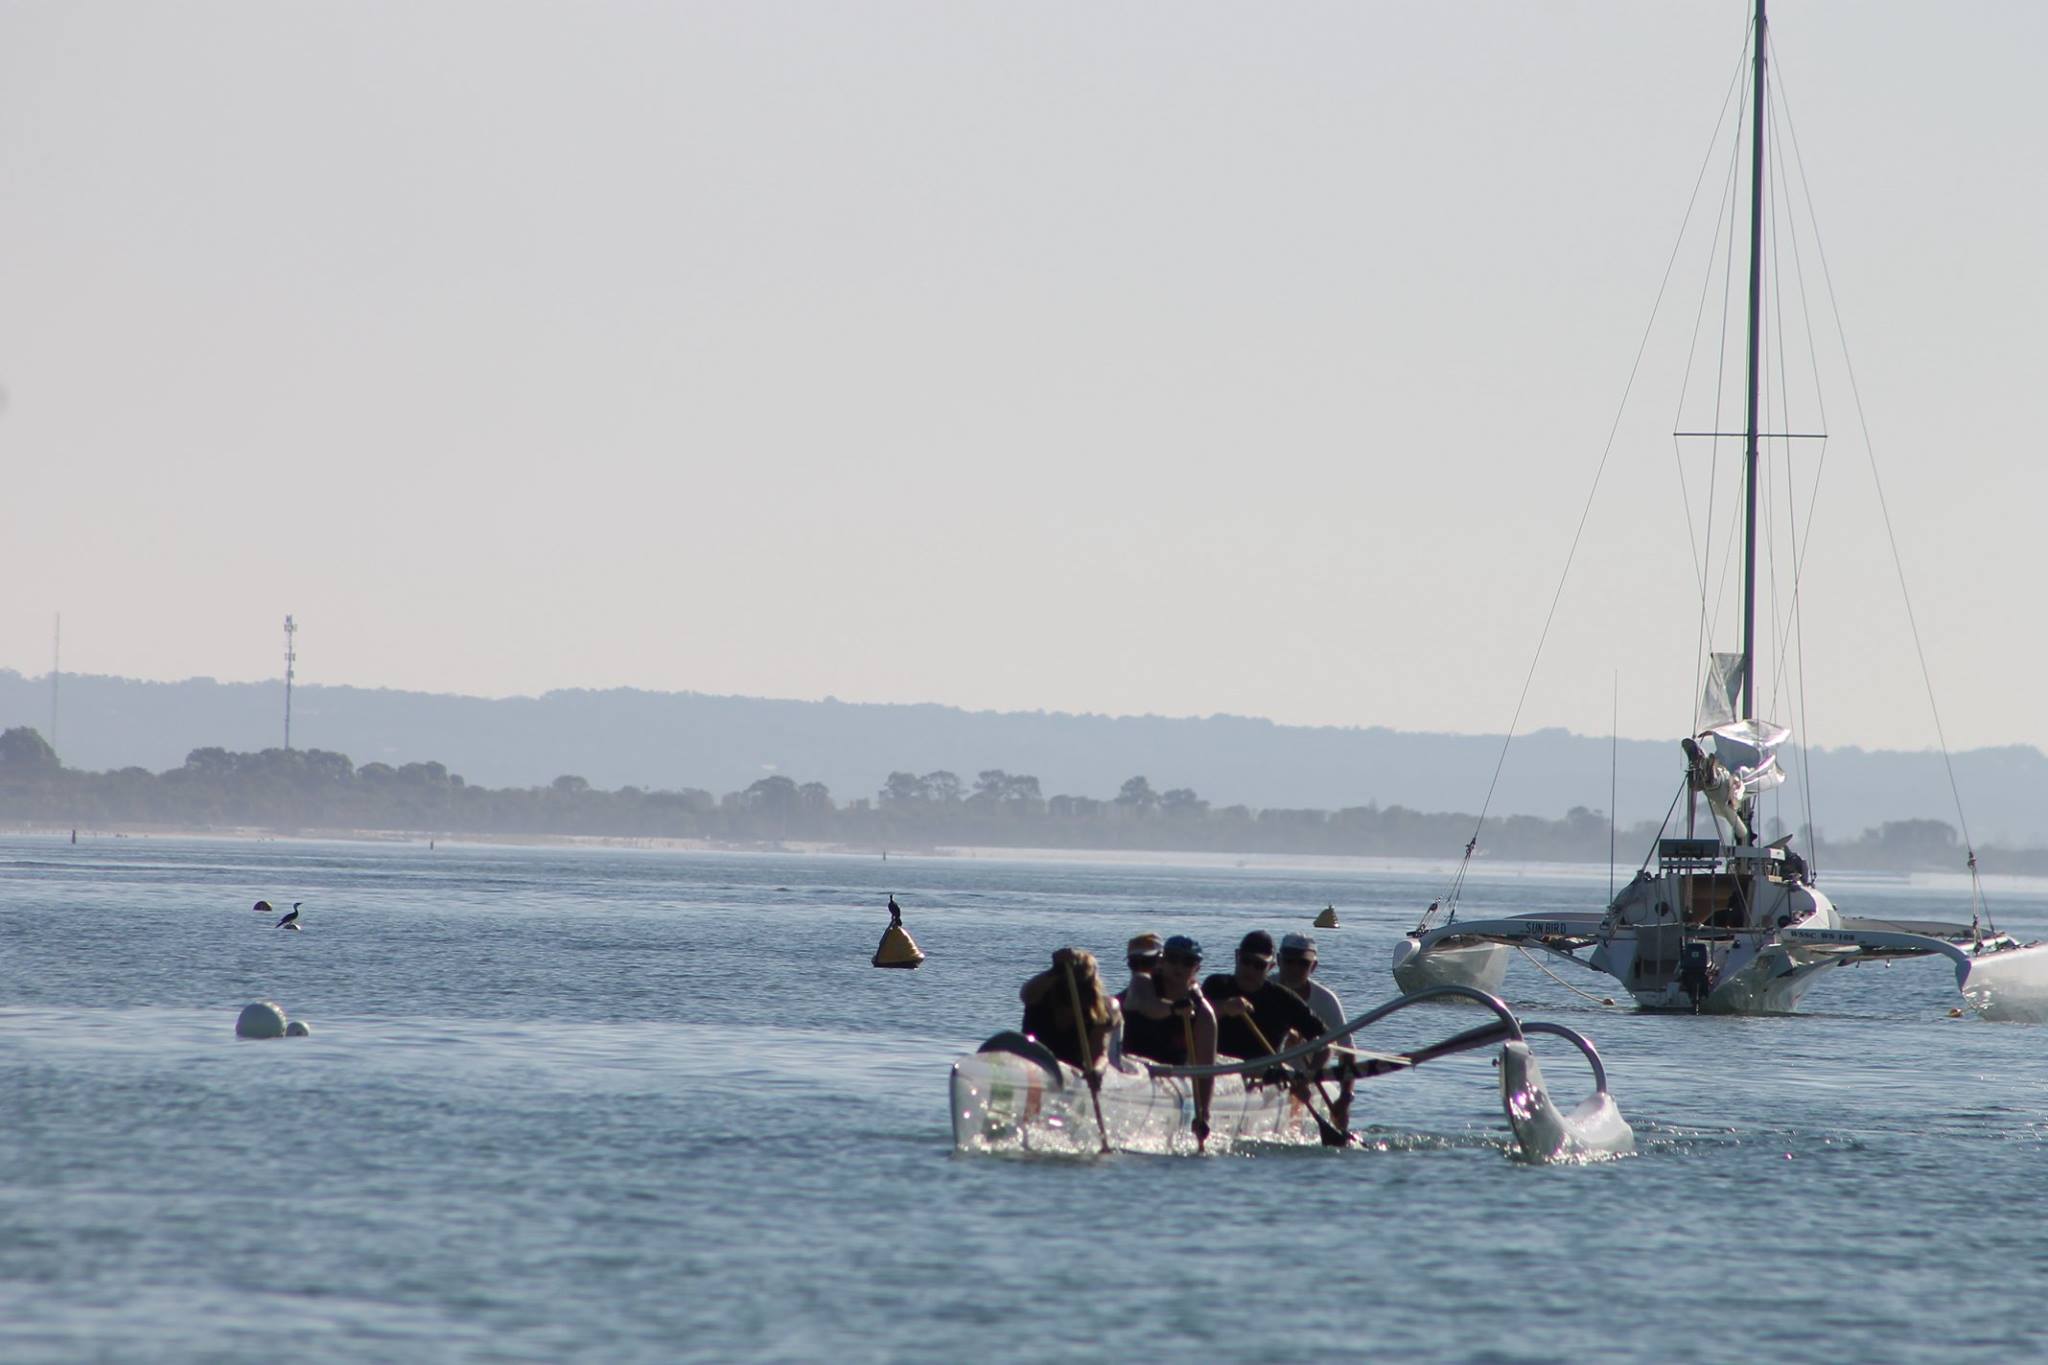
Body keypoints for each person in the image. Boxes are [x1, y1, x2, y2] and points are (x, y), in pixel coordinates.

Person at [1203, 930, 1326, 1062]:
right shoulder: (1215, 985)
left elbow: (1326, 1040)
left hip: (1263, 1075)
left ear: (1271, 966)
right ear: (1237, 956)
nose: (1250, 969)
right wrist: (1223, 1008)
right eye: (1246, 961)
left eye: (1259, 965)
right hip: (1217, 1070)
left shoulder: (1283, 998)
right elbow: (1188, 1016)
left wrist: (1311, 1074)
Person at [1019, 948, 1118, 1073]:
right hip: (1030, 1066)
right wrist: (1055, 970)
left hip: (1070, 1074)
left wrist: (1096, 1071)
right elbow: (1025, 994)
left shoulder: (1098, 1012)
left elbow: (1099, 1053)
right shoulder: (1040, 996)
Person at [1276, 933, 1346, 1036]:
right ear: (1278, 960)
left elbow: (1346, 1048)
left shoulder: (1327, 1001)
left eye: (1303, 963)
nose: (1295, 969)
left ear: (1314, 966)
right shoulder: (1260, 990)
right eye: (1289, 961)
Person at [1117, 933, 1170, 1024]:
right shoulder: (1119, 1002)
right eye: (1134, 963)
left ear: (1162, 960)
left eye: (1147, 962)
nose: (1140, 969)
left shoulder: (1182, 991)